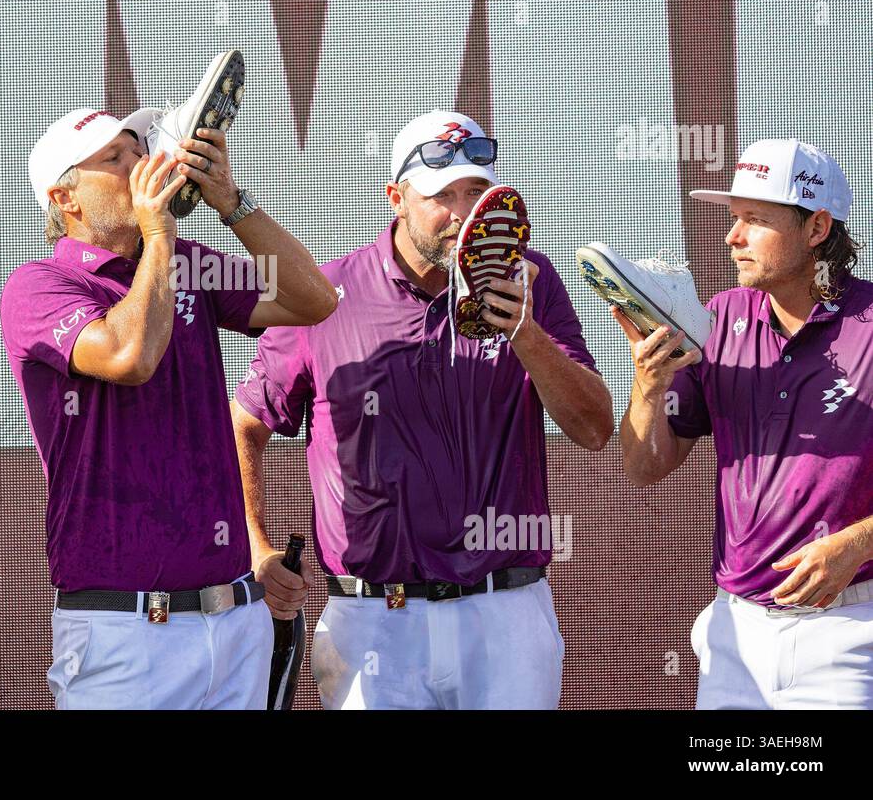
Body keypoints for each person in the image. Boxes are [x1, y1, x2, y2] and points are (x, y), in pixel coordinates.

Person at [232, 110, 613, 709]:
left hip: (505, 614)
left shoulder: (533, 280)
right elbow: (244, 425)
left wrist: (526, 334)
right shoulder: (324, 295)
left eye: (478, 192)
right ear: (397, 198)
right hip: (370, 620)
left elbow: (593, 428)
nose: (464, 212)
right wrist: (255, 545)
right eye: (443, 195)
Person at [1, 85, 337, 709]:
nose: (139, 167)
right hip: (125, 635)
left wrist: (233, 204)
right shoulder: (37, 287)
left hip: (234, 622)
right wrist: (159, 235)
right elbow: (130, 356)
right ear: (62, 196)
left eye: (139, 150)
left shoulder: (185, 262)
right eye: (115, 160)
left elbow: (314, 299)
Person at [617, 137, 873, 709]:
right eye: (734, 219)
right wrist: (648, 384)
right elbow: (643, 467)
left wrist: (859, 541)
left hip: (853, 632)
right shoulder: (719, 317)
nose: (732, 238)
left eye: (754, 220)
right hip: (736, 632)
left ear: (816, 229)